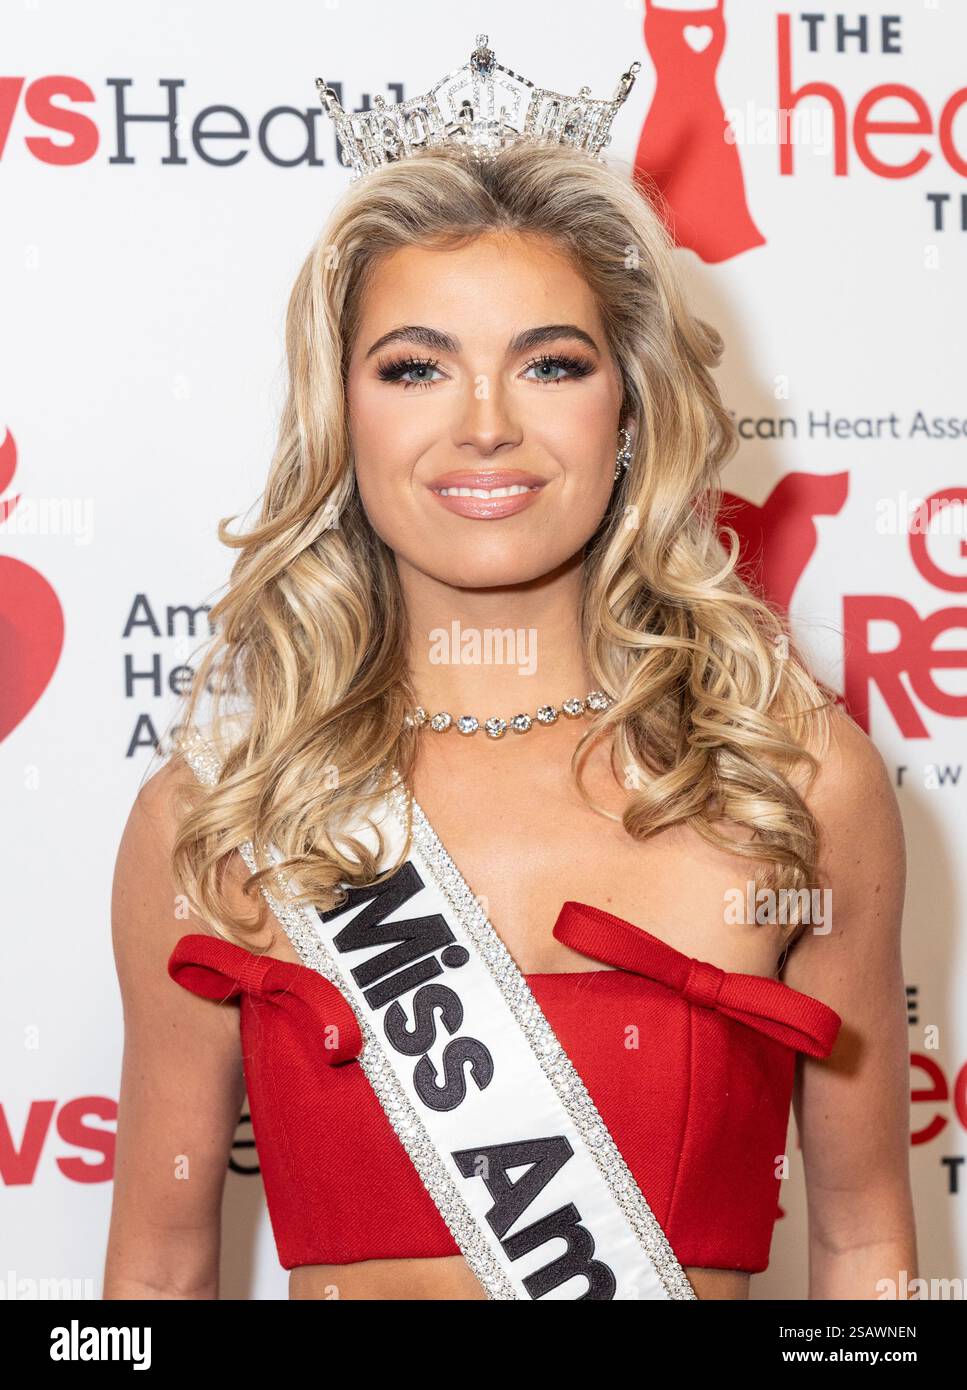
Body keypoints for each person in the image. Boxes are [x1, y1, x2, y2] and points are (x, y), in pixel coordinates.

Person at [103, 43, 914, 1302]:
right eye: (415, 366)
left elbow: (866, 1248)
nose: (485, 422)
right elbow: (153, 1274)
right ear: (344, 414)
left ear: (630, 409)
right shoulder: (219, 820)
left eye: (551, 363)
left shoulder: (792, 782)